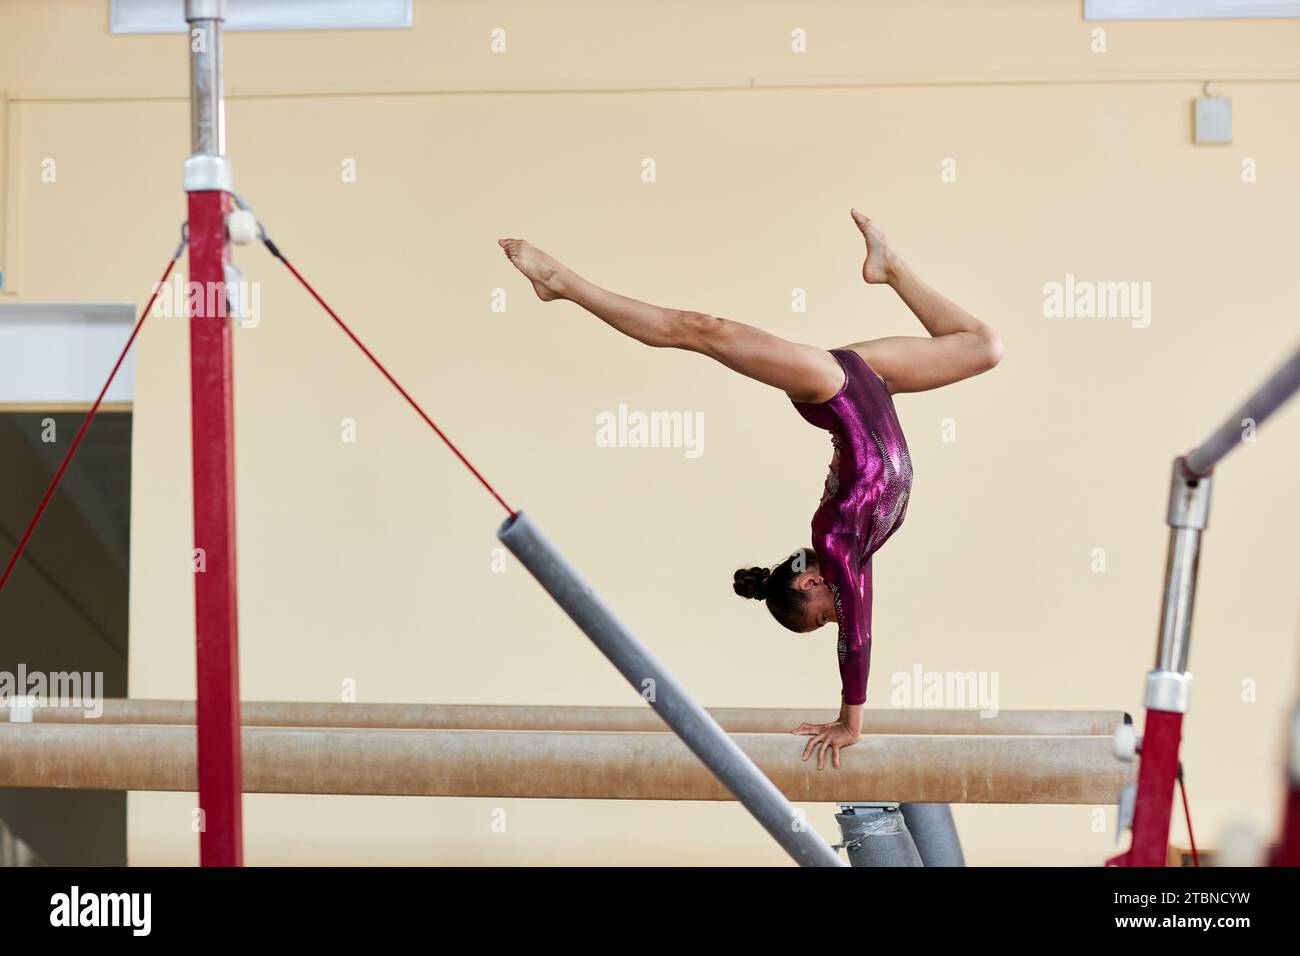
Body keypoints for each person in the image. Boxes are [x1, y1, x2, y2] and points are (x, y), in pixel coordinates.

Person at [500, 210, 1002, 771]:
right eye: (824, 623)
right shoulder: (858, 552)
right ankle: (889, 267)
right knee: (984, 347)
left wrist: (850, 721)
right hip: (871, 382)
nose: (833, 619)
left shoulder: (836, 544)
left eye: (818, 616)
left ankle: (563, 284)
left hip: (833, 389)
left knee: (702, 329)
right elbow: (858, 618)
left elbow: (857, 636)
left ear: (811, 581)